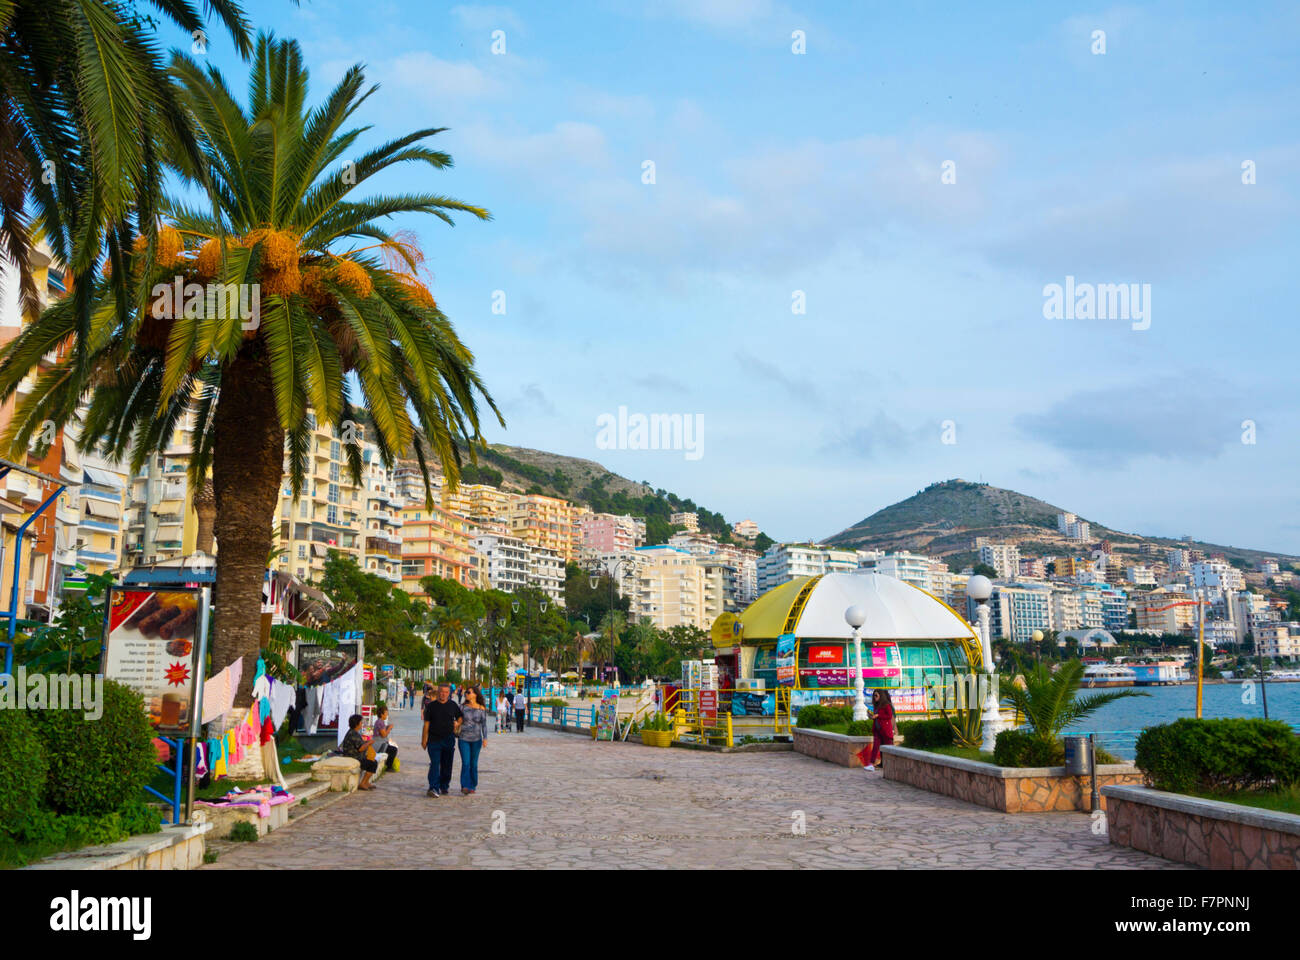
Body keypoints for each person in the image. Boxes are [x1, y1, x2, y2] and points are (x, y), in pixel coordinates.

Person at [421, 682, 462, 797]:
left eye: (446, 692)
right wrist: (424, 740)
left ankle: (444, 785)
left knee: (447, 764)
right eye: (441, 692)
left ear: (449, 693)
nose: (443, 694)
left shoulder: (453, 705)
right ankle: (433, 787)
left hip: (448, 739)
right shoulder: (431, 706)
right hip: (434, 739)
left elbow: (460, 717)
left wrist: (457, 724)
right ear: (437, 692)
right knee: (435, 763)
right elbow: (426, 725)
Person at [457, 687, 489, 794]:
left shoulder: (481, 708)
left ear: (475, 694)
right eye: (466, 692)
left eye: (468, 692)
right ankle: (465, 785)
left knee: (473, 764)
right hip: (463, 739)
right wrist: (456, 724)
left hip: (476, 740)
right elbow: (457, 720)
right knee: (466, 763)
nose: (466, 694)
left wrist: (485, 738)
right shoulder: (461, 707)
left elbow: (484, 725)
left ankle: (473, 785)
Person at [339, 714, 379, 791]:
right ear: (357, 724)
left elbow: (360, 743)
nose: (362, 724)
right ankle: (363, 783)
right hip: (353, 757)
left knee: (374, 761)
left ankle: (366, 782)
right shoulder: (353, 734)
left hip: (357, 756)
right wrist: (369, 743)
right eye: (361, 722)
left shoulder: (354, 732)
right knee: (372, 764)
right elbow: (360, 748)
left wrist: (367, 742)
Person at [860, 689, 895, 772]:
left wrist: (878, 715)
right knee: (876, 747)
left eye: (876, 695)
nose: (874, 697)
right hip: (877, 730)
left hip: (885, 730)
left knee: (888, 747)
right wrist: (872, 716)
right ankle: (871, 764)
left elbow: (889, 716)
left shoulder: (886, 705)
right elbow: (878, 717)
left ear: (881, 696)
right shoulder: (877, 706)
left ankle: (889, 764)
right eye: (874, 696)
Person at [372, 703, 398, 771]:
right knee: (393, 750)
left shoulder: (380, 721)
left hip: (381, 742)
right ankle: (388, 767)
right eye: (386, 713)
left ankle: (387, 765)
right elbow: (384, 735)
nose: (387, 715)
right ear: (382, 714)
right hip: (379, 744)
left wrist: (387, 727)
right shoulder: (380, 722)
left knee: (392, 748)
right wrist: (389, 728)